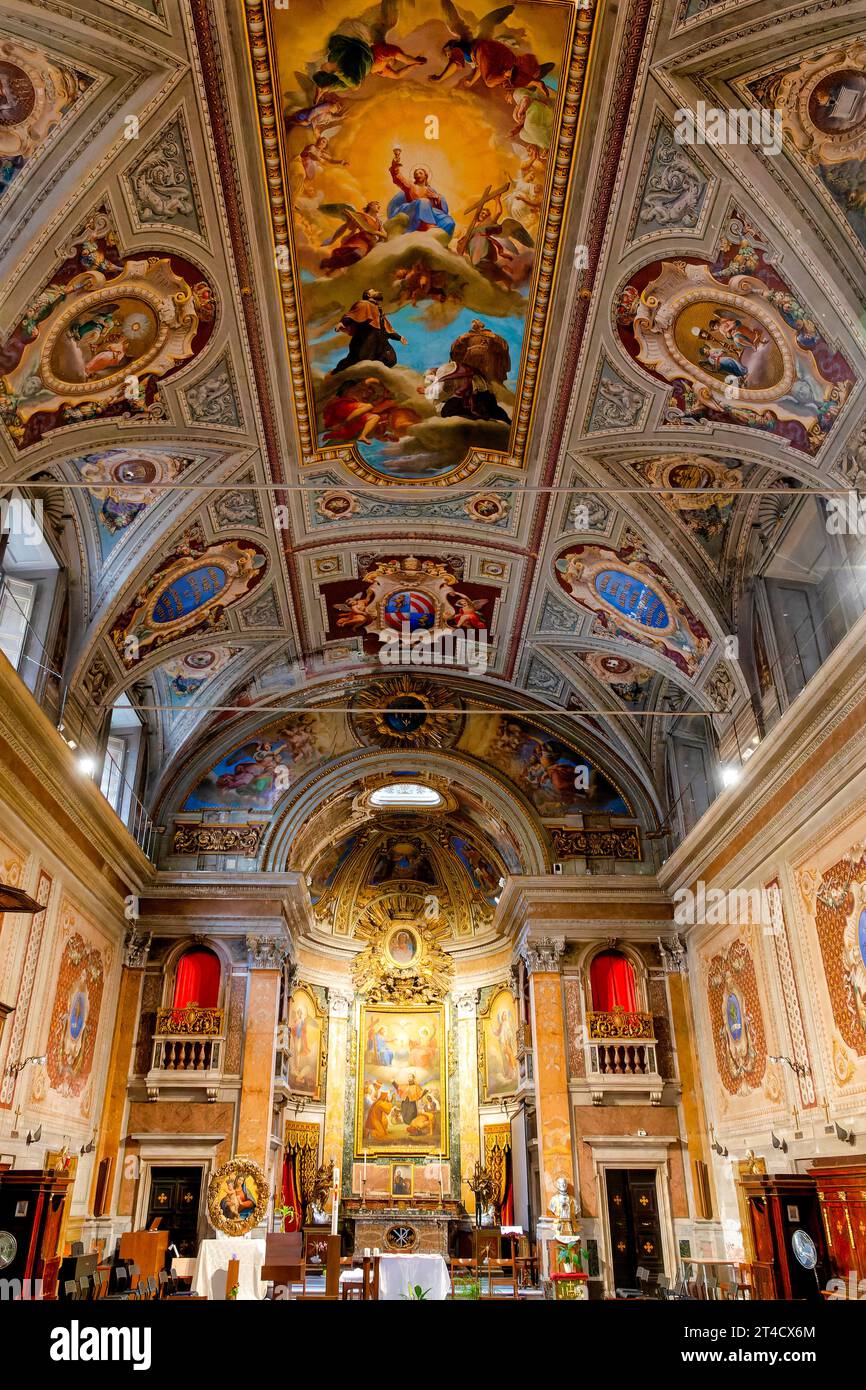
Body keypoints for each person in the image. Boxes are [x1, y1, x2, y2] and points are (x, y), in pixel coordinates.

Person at [331, 289, 406, 373]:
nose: (377, 292)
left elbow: (385, 328)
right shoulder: (364, 304)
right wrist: (342, 323)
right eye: (374, 291)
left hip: (380, 343)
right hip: (366, 341)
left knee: (390, 359)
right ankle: (338, 375)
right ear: (368, 295)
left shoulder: (378, 309)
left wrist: (399, 337)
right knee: (357, 363)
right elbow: (352, 315)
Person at [388, 149, 455, 237]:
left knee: (449, 222)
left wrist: (438, 198)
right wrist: (395, 167)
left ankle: (442, 238)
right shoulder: (410, 186)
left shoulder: (431, 190)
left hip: (431, 211)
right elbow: (399, 179)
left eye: (420, 173)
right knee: (424, 201)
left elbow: (443, 210)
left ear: (426, 176)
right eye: (416, 173)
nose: (418, 175)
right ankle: (427, 227)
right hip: (415, 209)